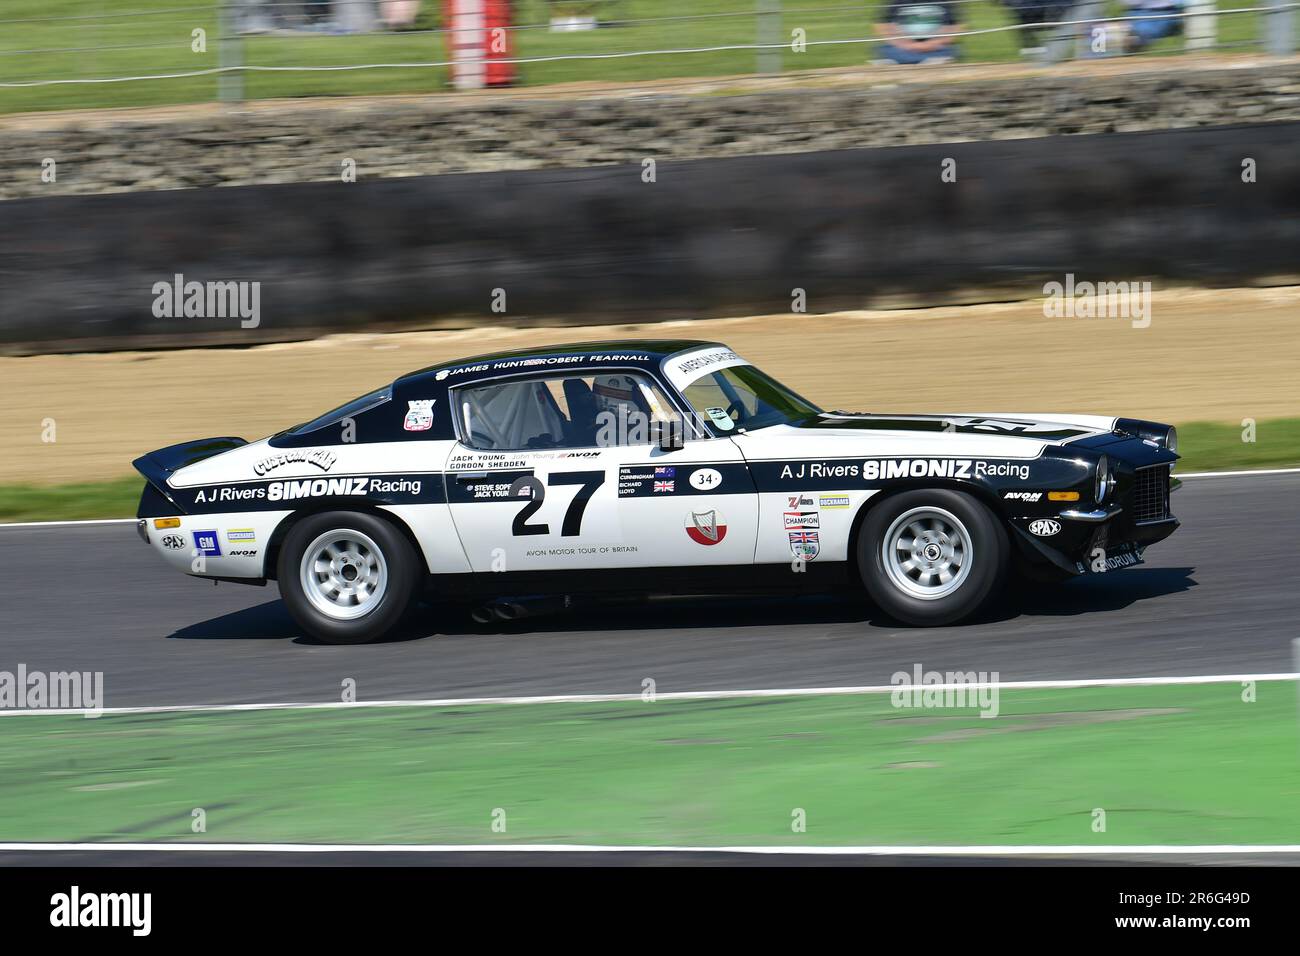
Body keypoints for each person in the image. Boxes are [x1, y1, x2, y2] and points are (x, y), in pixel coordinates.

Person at [874, 0, 964, 64]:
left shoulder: (946, 2)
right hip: (903, 46)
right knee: (887, 49)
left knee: (950, 50)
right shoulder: (896, 2)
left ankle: (901, 62)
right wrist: (904, 44)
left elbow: (954, 27)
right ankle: (900, 61)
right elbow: (883, 25)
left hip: (935, 47)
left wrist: (932, 44)